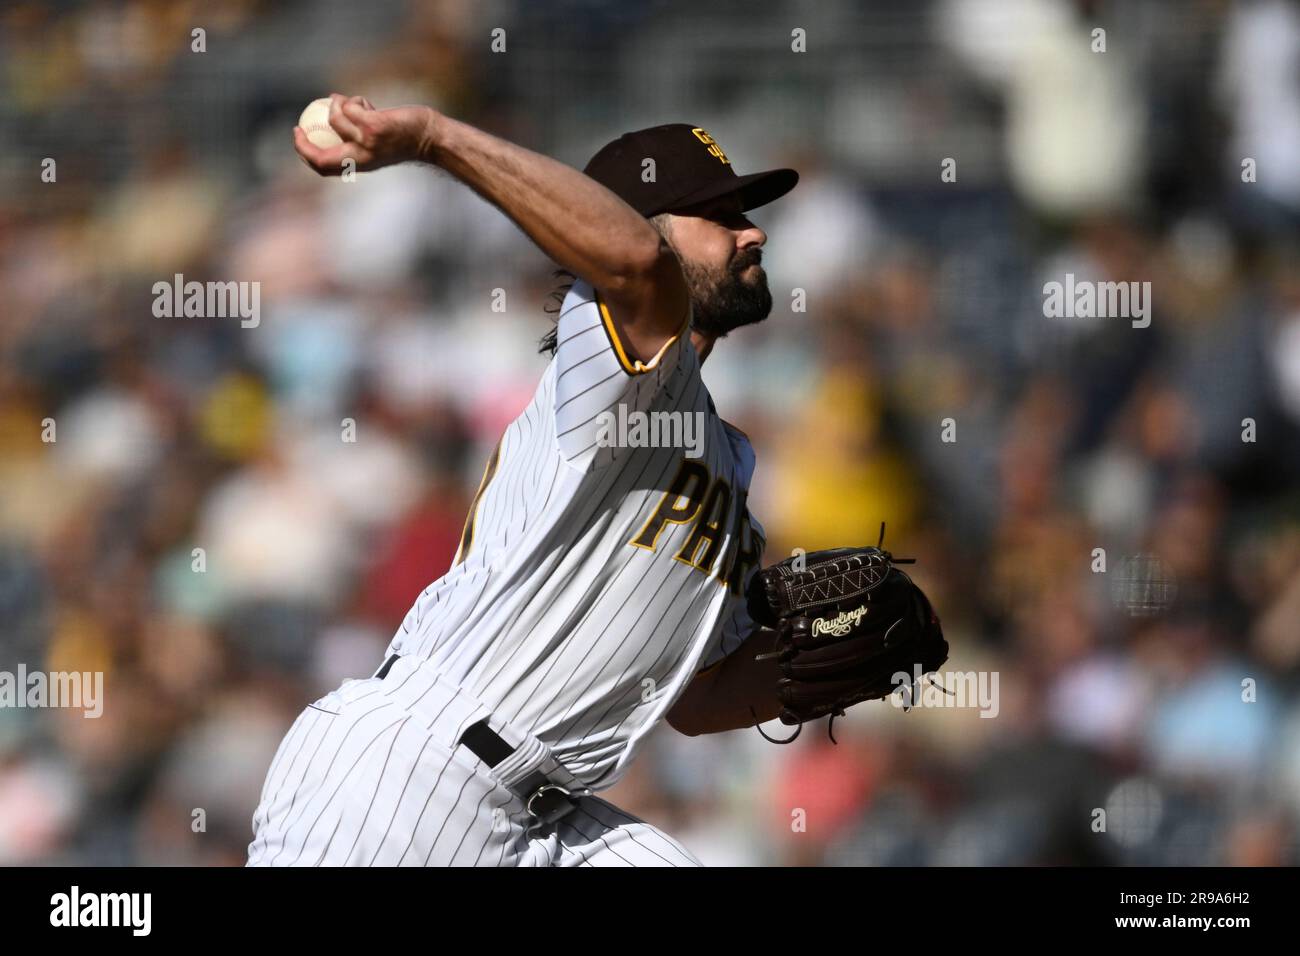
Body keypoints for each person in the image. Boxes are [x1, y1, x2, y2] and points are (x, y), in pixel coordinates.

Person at [247, 95, 798, 866]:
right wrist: (434, 138)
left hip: (550, 815)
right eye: (720, 214)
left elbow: (701, 700)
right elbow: (634, 264)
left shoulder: (727, 461)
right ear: (648, 229)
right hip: (414, 776)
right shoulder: (605, 354)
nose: (754, 230)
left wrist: (832, 664)